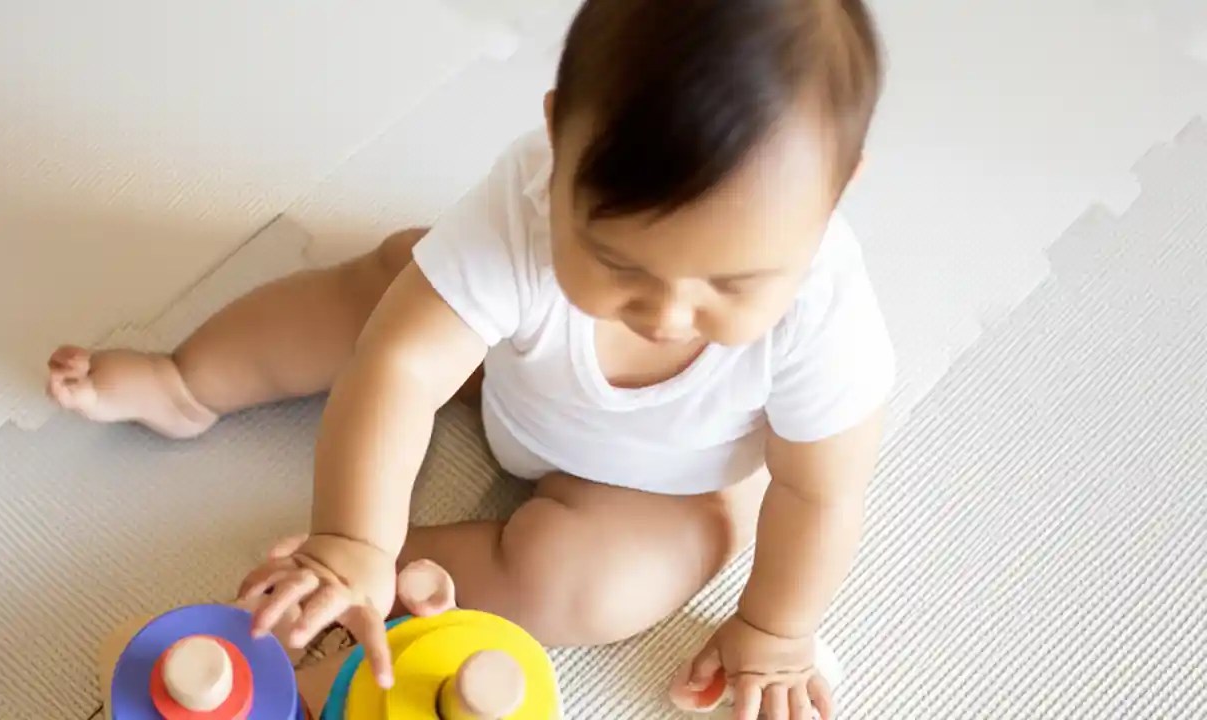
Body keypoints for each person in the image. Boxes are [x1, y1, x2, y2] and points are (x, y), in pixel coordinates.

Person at [47, 0, 891, 717]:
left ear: (839, 190)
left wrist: (777, 630)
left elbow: (820, 490)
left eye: (733, 283)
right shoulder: (523, 209)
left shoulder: (824, 313)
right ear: (558, 142)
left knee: (601, 588)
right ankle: (189, 382)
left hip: (663, 485)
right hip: (516, 365)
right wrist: (350, 531)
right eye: (619, 263)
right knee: (382, 297)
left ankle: (393, 577)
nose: (669, 313)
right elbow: (403, 367)